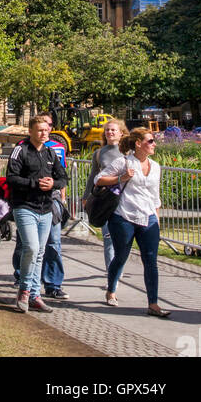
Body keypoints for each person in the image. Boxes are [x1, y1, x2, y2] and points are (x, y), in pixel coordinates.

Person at [104, 128, 170, 317]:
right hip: (124, 216)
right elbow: (100, 180)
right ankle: (111, 290)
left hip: (148, 217)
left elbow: (155, 195)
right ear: (138, 144)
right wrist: (121, 178)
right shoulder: (123, 162)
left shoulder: (156, 166)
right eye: (150, 141)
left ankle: (153, 303)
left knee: (151, 261)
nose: (154, 144)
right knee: (121, 256)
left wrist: (156, 218)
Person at [7, 113, 67, 314]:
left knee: (40, 252)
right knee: (31, 248)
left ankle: (34, 295)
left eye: (46, 129)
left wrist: (53, 184)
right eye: (40, 130)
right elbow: (11, 178)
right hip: (25, 206)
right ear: (31, 131)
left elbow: (63, 178)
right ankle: (24, 290)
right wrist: (35, 184)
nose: (44, 133)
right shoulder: (20, 150)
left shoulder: (50, 153)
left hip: (46, 208)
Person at [84, 118, 128, 284]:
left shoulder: (127, 153)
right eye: (107, 130)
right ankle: (112, 273)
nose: (109, 133)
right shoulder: (99, 153)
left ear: (121, 133)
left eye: (113, 130)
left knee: (122, 238)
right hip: (104, 199)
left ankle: (118, 267)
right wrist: (86, 196)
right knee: (108, 237)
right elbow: (92, 177)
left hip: (123, 199)